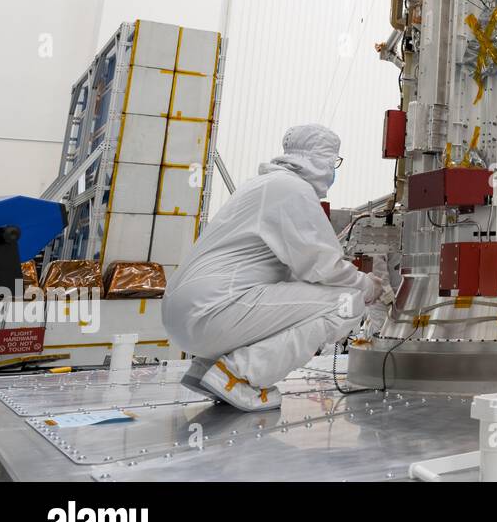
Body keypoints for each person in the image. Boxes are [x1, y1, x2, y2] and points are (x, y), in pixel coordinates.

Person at [164, 124, 391, 411]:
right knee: (347, 302)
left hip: (189, 312)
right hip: (214, 309)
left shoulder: (261, 185)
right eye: (333, 163)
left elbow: (298, 274)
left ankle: (205, 370)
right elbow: (323, 267)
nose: (333, 172)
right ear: (321, 160)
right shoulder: (291, 189)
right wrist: (369, 287)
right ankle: (239, 376)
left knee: (300, 300)